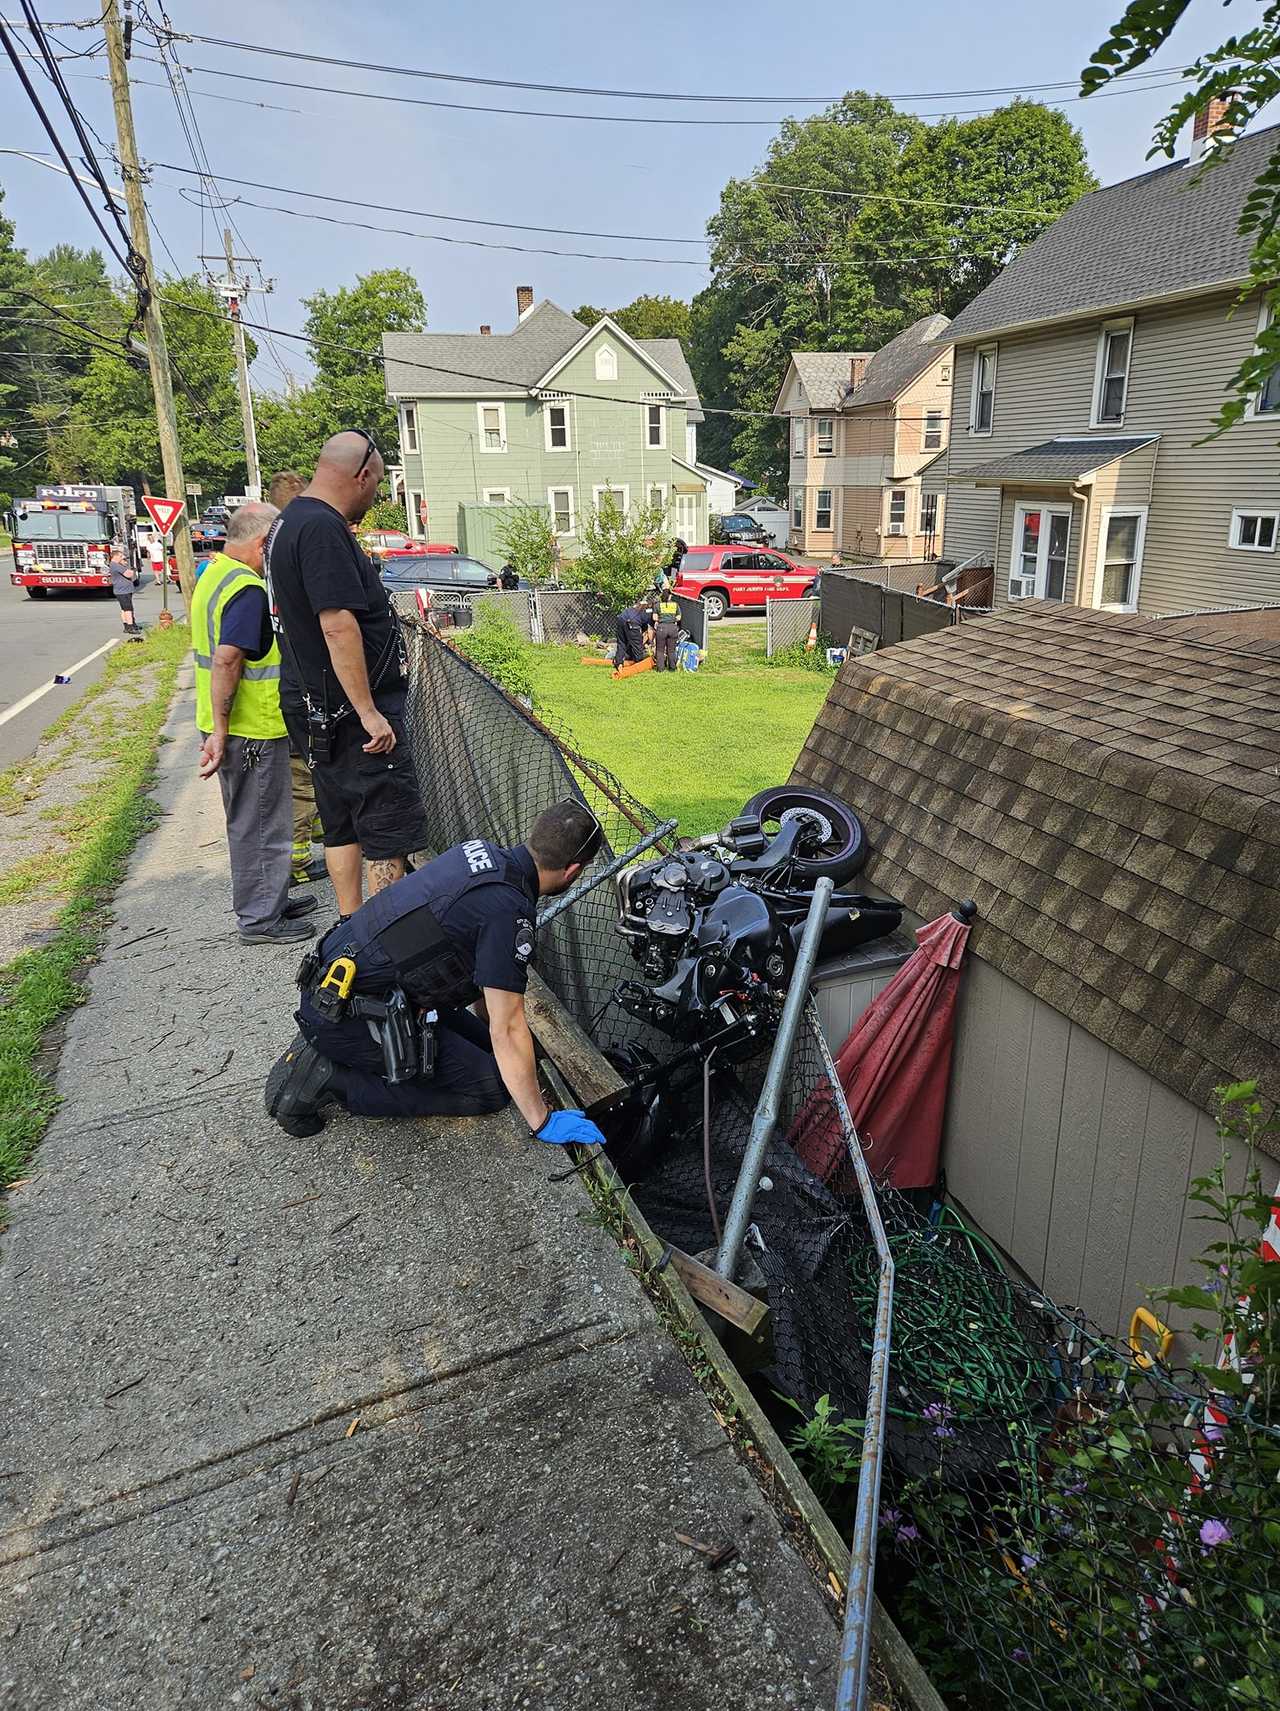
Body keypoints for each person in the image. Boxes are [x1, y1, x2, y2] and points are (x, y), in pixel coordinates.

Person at [264, 798, 608, 1146]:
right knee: (490, 1087)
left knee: (494, 1054)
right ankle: (329, 1076)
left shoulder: (480, 852)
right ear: (573, 871)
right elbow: (508, 1024)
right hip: (348, 1013)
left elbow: (484, 989)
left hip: (347, 986)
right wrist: (542, 1119)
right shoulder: (509, 911)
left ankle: (344, 1050)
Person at [265, 431, 428, 919]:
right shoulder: (321, 529)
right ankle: (388, 939)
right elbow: (337, 625)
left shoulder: (286, 523)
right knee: (385, 828)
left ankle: (351, 926)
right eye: (377, 484)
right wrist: (368, 712)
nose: (375, 495)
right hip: (350, 715)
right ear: (361, 476)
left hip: (313, 705)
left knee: (340, 822)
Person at [192, 502, 318, 946]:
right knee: (260, 824)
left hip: (236, 724)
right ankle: (260, 918)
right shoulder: (245, 588)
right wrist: (224, 728)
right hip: (251, 729)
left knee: (262, 820)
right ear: (264, 543)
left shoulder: (215, 573)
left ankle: (271, 897)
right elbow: (229, 658)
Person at [268, 470, 326, 887]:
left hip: (282, 695)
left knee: (308, 777)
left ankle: (314, 837)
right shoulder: (295, 545)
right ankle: (297, 863)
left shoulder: (273, 549)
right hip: (285, 698)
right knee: (301, 786)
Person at [109, 543, 143, 641]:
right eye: (121, 556)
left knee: (124, 609)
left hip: (123, 590)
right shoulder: (115, 565)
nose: (122, 558)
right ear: (115, 556)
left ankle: (127, 625)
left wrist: (125, 564)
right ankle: (130, 626)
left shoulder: (116, 565)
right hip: (122, 591)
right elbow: (129, 574)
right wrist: (131, 570)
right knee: (128, 609)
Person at [614, 596, 653, 666]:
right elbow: (649, 630)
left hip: (621, 618)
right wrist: (651, 643)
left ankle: (618, 662)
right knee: (637, 645)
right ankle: (639, 664)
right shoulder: (650, 612)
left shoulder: (637, 606)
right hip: (632, 622)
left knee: (622, 642)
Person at [652, 586, 681, 672]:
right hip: (672, 628)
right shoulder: (675, 605)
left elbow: (654, 618)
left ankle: (660, 669)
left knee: (660, 649)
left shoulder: (657, 605)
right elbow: (679, 617)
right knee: (671, 650)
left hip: (662, 628)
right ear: (670, 596)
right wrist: (672, 619)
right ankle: (672, 668)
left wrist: (661, 619)